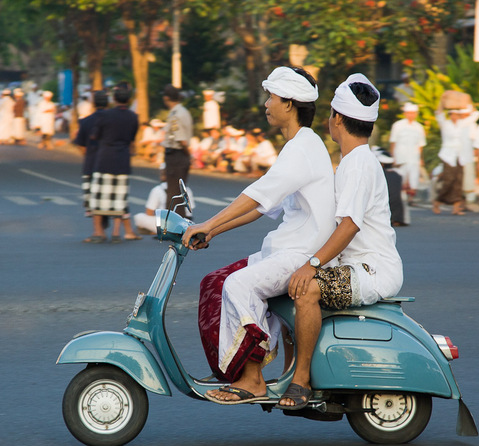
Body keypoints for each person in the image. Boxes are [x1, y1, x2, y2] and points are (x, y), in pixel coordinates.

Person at [182, 66, 335, 404]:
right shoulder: (299, 145)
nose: (266, 104)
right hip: (284, 249)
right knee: (213, 281)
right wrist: (214, 231)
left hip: (301, 254)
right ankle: (232, 369)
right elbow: (264, 206)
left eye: (272, 98)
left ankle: (252, 380)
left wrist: (207, 223)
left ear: (290, 105)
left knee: (238, 285)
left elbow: (257, 194)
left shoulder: (302, 149)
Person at [280, 74, 403, 409]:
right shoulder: (354, 161)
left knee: (306, 287)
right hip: (356, 265)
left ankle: (301, 381)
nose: (327, 121)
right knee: (286, 280)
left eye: (330, 115)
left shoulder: (358, 164)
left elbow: (348, 227)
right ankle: (290, 371)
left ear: (337, 119)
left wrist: (312, 264)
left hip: (371, 270)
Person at [84, 85, 141, 243]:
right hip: (123, 160)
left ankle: (99, 232)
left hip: (104, 159)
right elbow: (131, 138)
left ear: (114, 99)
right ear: (128, 100)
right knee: (119, 199)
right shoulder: (133, 117)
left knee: (97, 197)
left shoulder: (106, 115)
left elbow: (95, 135)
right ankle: (116, 233)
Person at [72, 90, 108, 218]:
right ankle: (117, 233)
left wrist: (87, 154)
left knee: (93, 202)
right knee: (113, 204)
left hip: (91, 163)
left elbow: (80, 144)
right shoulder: (113, 119)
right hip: (110, 165)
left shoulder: (86, 121)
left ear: (93, 103)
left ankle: (98, 232)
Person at [161, 85, 193, 217]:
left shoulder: (176, 115)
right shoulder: (179, 111)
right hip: (177, 154)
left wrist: (188, 154)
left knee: (174, 193)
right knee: (176, 192)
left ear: (166, 98)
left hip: (177, 154)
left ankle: (175, 227)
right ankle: (173, 226)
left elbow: (181, 140)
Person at [134, 164, 195, 234]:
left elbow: (149, 212)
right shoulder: (186, 189)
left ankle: (159, 232)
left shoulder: (158, 189)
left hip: (165, 225)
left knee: (139, 217)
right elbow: (190, 211)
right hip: (184, 225)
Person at [389, 102, 426, 210]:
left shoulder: (419, 127)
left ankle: (411, 199)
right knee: (401, 177)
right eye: (409, 113)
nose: (411, 115)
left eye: (413, 113)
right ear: (405, 113)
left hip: (414, 157)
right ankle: (401, 199)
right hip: (400, 156)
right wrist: (393, 156)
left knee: (414, 178)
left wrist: (421, 158)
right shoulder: (398, 125)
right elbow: (393, 141)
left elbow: (420, 144)